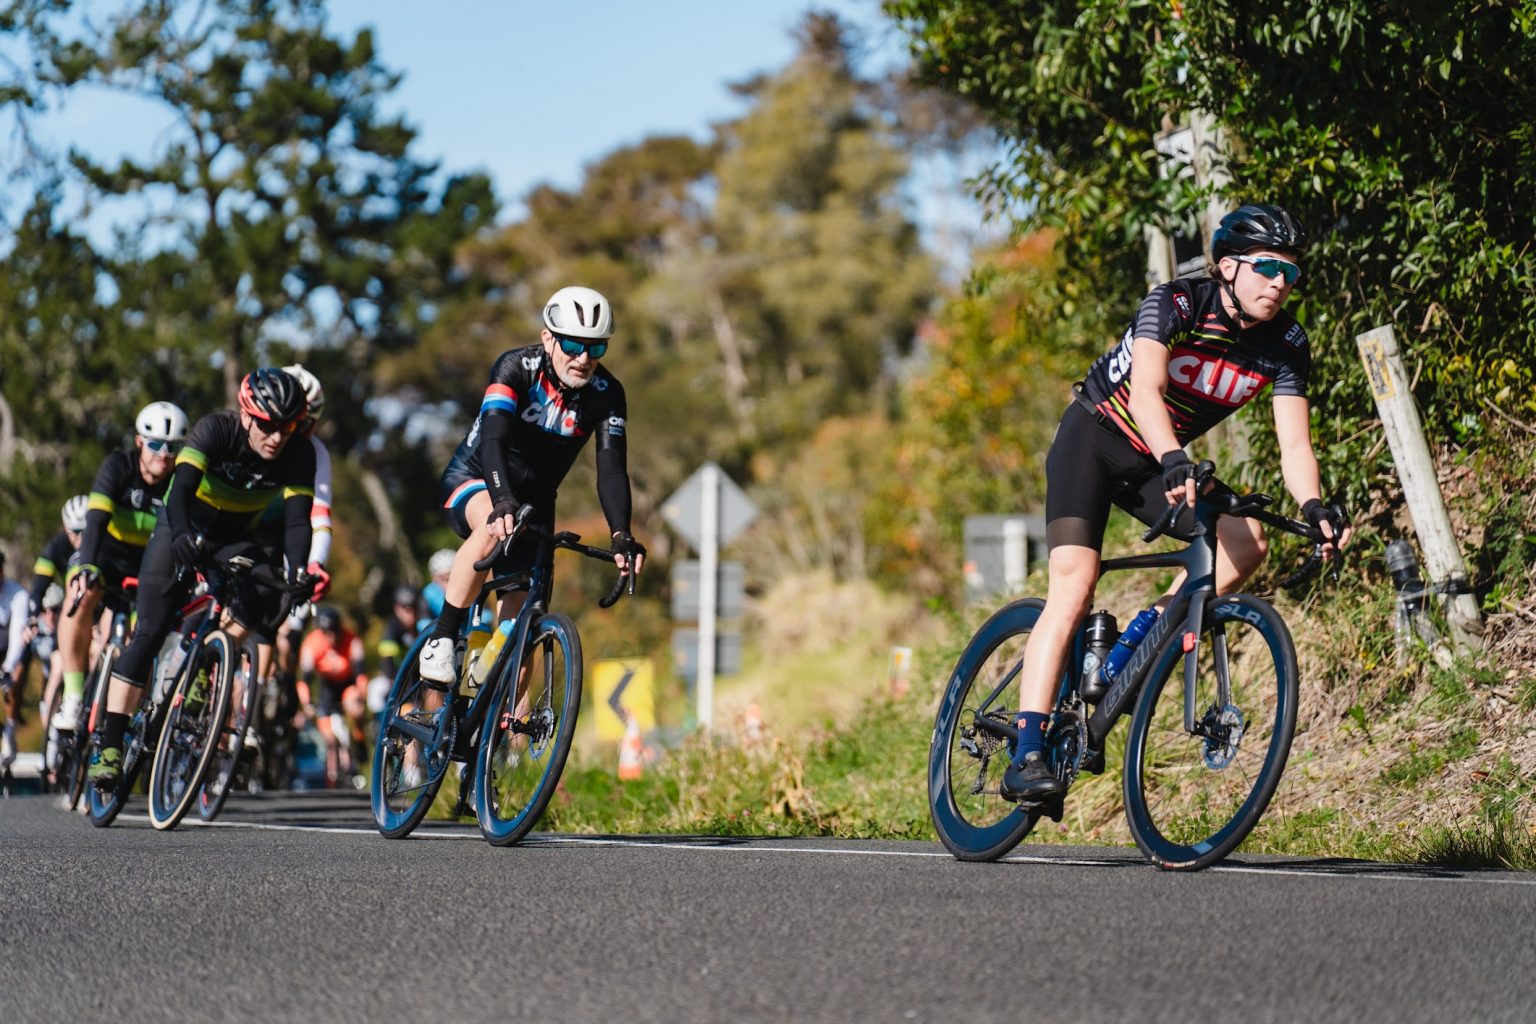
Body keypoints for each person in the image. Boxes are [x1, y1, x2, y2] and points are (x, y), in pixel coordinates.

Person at [1000, 204, 1351, 802]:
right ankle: (1027, 748)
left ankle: (1133, 654)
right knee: (1075, 582)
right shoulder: (1178, 302)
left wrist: (1315, 504)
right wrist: (1172, 459)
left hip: (1160, 459)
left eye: (1291, 274)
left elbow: (1295, 443)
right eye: (1268, 267)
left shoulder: (1286, 343)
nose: (1280, 283)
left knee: (1245, 543)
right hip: (1097, 437)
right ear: (1229, 265)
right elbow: (1146, 389)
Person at [88, 368, 318, 786]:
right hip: (182, 527)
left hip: (234, 539)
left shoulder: (300, 453)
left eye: (288, 426)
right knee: (151, 631)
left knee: (267, 593)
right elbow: (179, 492)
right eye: (267, 425)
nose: (277, 436)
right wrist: (179, 536)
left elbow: (299, 523)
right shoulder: (216, 430)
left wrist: (300, 571)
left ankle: (205, 668)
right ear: (247, 415)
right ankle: (111, 740)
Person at [418, 285, 646, 684]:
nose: (583, 359)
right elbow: (493, 440)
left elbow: (611, 470)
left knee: (525, 618)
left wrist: (621, 533)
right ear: (548, 338)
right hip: (475, 477)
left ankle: (498, 727)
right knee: (492, 524)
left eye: (596, 349)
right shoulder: (515, 368)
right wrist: (502, 497)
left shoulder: (608, 395)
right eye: (574, 344)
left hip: (536, 501)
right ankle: (442, 637)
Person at [56, 401, 188, 732]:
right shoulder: (118, 465)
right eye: (156, 444)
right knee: (78, 597)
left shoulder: (179, 482)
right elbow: (96, 520)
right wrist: (86, 567)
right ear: (139, 441)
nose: (164, 454)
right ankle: (73, 696)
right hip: (107, 557)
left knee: (140, 638)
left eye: (173, 448)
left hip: (148, 567)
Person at [297, 604, 366, 787]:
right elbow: (304, 681)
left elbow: (360, 676)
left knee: (353, 703)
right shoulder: (312, 644)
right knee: (329, 738)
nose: (331, 637)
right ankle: (333, 776)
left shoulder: (352, 640)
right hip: (326, 688)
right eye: (326, 632)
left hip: (347, 685)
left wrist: (360, 697)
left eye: (334, 632)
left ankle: (358, 740)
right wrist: (307, 704)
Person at [0, 551, 32, 771]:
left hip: (9, 650)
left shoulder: (17, 594)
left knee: (14, 677)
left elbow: (17, 636)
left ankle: (9, 732)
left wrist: (8, 668)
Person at [30, 496, 87, 612]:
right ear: (66, 528)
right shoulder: (57, 546)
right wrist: (33, 615)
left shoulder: (104, 542)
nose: (81, 539)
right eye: (75, 532)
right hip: (74, 605)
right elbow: (39, 587)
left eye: (86, 532)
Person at [421, 549, 454, 619]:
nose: (448, 585)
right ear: (433, 579)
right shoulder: (429, 593)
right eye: (444, 580)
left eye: (451, 578)